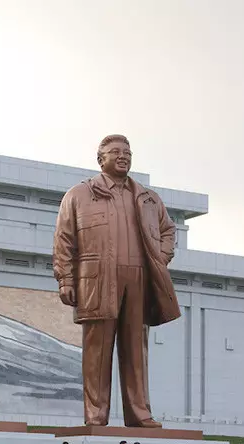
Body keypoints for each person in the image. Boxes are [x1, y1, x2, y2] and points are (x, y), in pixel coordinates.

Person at [52, 134, 180, 428]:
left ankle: (140, 413)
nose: (123, 156)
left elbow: (168, 230)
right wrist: (65, 280)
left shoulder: (148, 198)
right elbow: (64, 240)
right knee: (97, 352)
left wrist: (160, 258)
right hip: (98, 280)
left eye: (127, 152)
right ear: (101, 160)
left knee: (137, 350)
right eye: (115, 152)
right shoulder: (79, 195)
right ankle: (96, 414)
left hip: (138, 280)